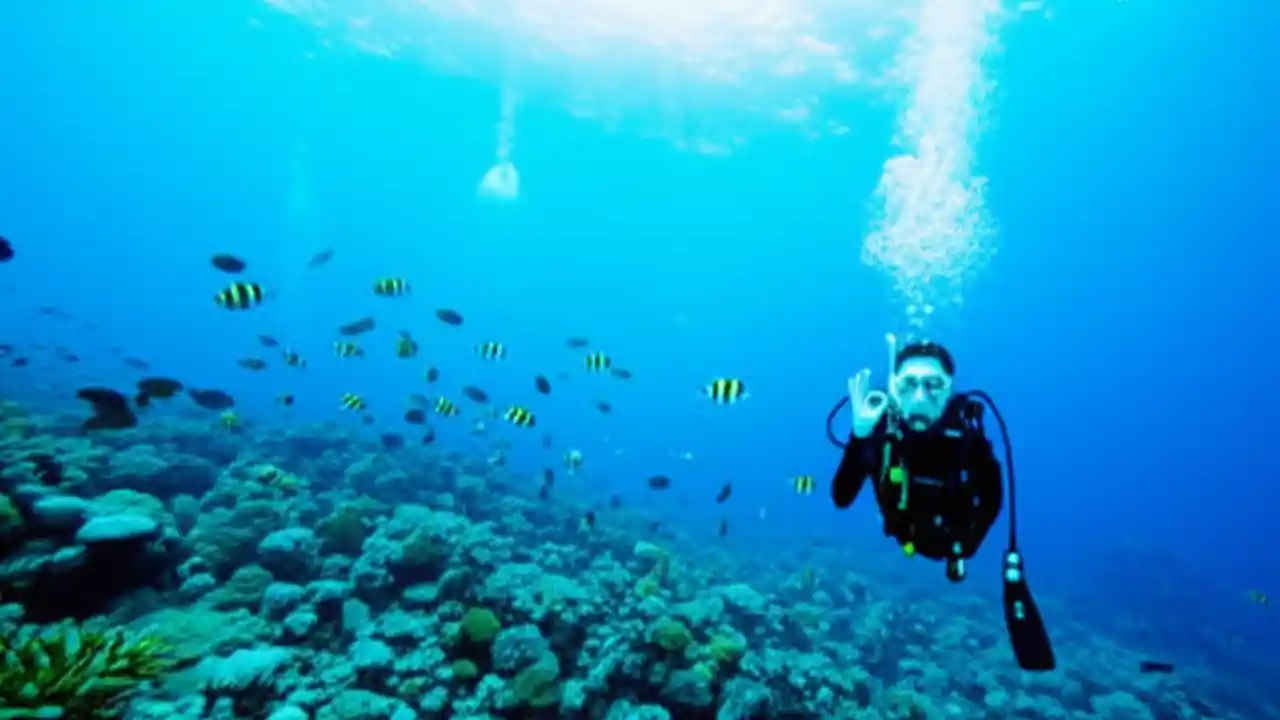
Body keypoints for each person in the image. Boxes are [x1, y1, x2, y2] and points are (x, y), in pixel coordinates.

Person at [825, 335, 1056, 671]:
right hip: (902, 533)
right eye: (908, 385)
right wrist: (858, 434)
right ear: (893, 387)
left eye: (934, 385)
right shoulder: (879, 433)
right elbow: (841, 498)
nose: (920, 396)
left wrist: (966, 547)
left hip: (951, 545)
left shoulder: (967, 442)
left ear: (950, 390)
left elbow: (993, 500)